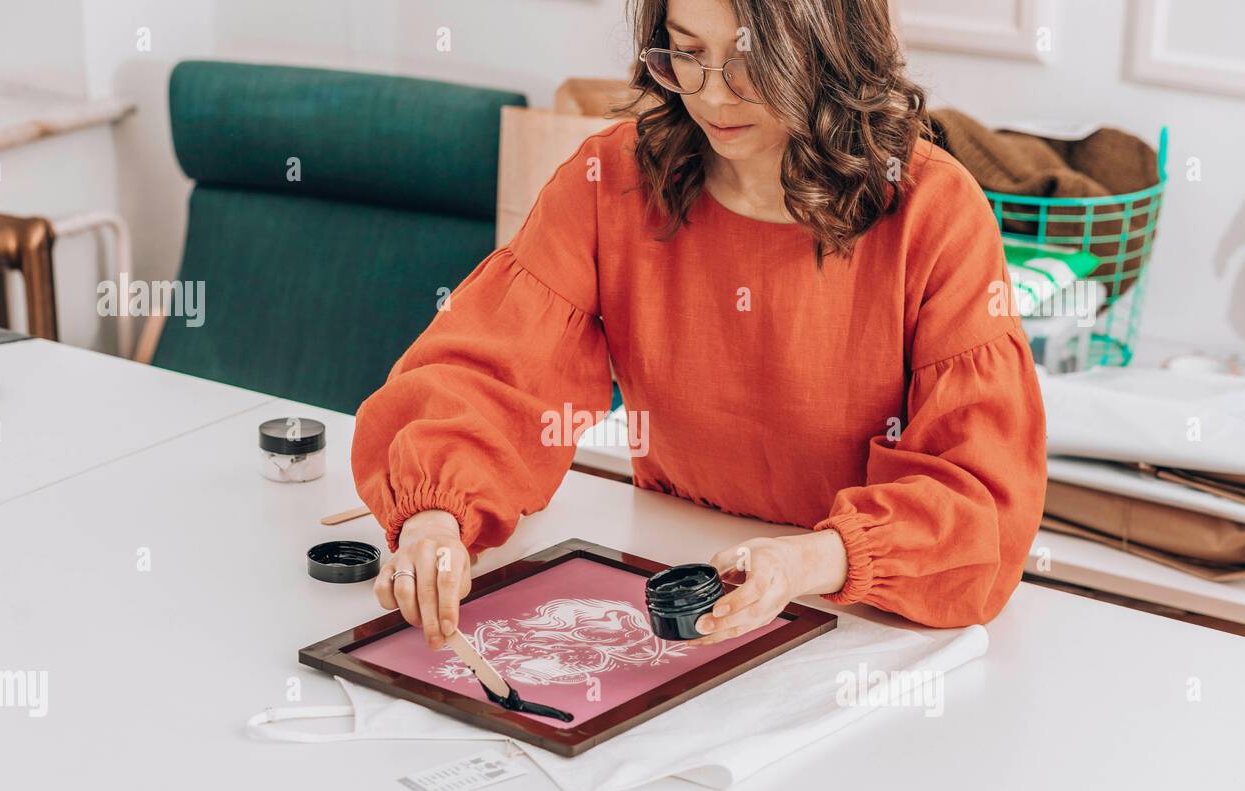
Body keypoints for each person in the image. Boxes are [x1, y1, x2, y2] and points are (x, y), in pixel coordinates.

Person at [351, 0, 1047, 649]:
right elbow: (491, 373)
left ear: (827, 50)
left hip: (861, 612)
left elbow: (978, 498)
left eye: (749, 63)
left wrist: (814, 558)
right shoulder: (609, 180)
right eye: (685, 54)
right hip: (677, 576)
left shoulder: (936, 212)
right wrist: (434, 516)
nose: (712, 95)